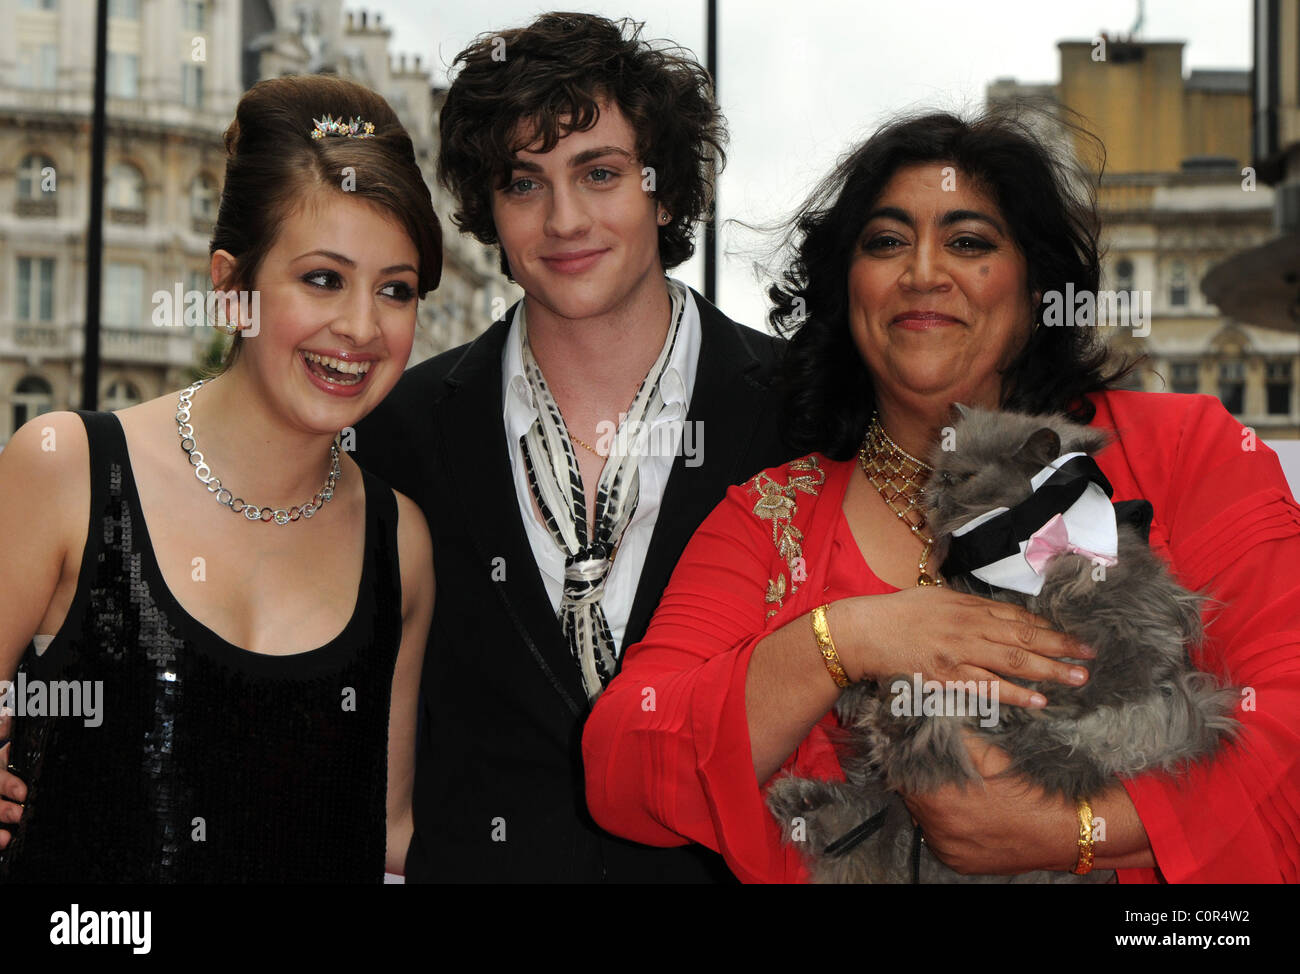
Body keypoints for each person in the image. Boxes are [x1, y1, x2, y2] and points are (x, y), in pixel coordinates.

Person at [583, 109, 1300, 883]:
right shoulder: (769, 519)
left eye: (969, 242)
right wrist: (847, 638)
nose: (923, 271)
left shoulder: (1183, 449)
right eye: (886, 242)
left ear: (1035, 291)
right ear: (846, 289)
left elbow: (1287, 721)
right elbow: (623, 766)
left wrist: (1078, 830)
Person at [352, 12, 792, 882]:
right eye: (524, 183)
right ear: (489, 208)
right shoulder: (398, 429)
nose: (564, 219)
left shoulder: (801, 414)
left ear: (665, 193)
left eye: (599, 174)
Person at [0, 75, 439, 882]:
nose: (362, 327)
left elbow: (387, 834)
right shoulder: (64, 470)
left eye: (397, 290)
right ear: (232, 289)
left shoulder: (399, 539)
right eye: (322, 278)